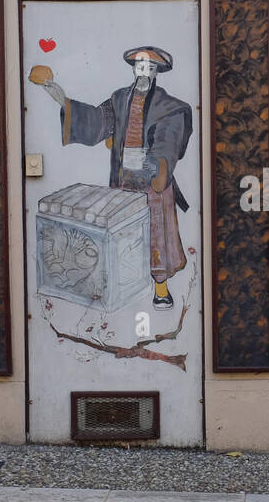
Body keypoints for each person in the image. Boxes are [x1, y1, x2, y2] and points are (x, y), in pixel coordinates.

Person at [28, 46, 192, 310]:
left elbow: (168, 141)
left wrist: (155, 164)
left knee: (156, 235)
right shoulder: (119, 99)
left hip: (152, 182)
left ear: (157, 72)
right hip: (123, 179)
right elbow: (97, 121)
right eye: (140, 66)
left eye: (150, 67)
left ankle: (160, 289)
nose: (144, 71)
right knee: (121, 232)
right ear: (133, 69)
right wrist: (59, 96)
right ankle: (124, 284)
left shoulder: (169, 107)